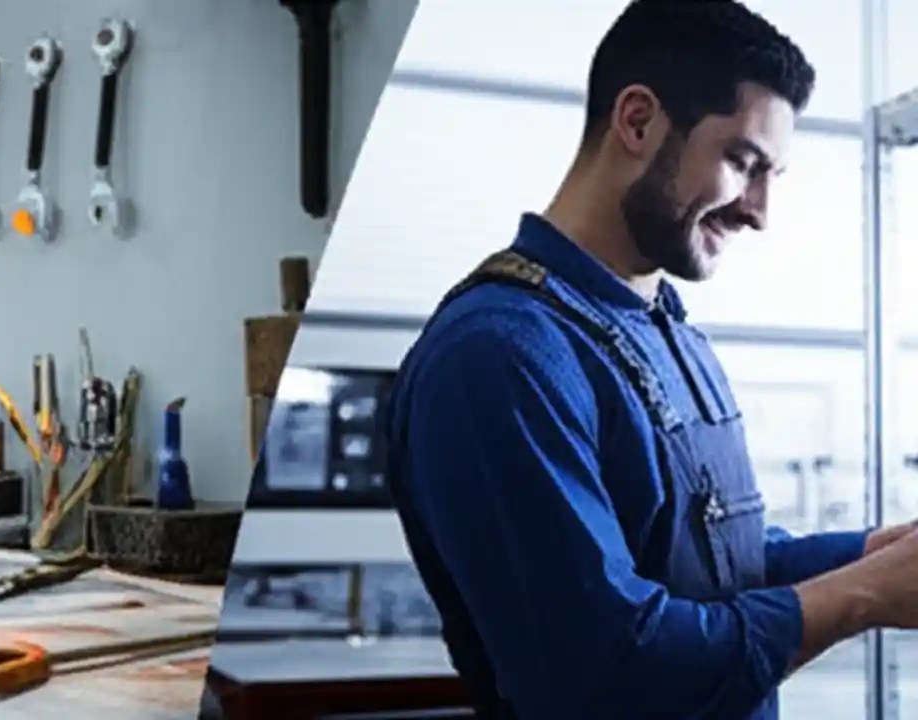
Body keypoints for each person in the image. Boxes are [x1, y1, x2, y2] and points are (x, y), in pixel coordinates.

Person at [384, 1, 918, 719]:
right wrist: (863, 594)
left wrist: (875, 553)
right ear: (637, 122)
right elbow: (610, 669)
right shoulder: (497, 355)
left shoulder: (665, 328)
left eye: (771, 176)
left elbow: (713, 566)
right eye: (742, 162)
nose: (760, 211)